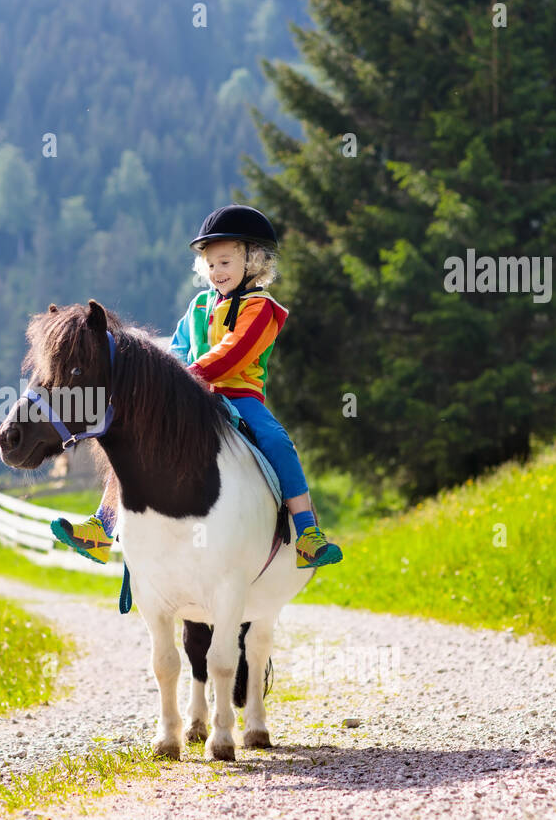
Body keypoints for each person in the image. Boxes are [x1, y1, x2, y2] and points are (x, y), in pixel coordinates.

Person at [50, 204, 343, 569]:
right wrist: (169, 381)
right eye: (210, 264)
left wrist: (184, 378)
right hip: (189, 393)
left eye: (225, 262)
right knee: (132, 438)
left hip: (239, 396)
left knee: (277, 441)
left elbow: (232, 354)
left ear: (253, 262)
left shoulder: (261, 308)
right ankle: (101, 528)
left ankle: (307, 532)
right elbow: (179, 348)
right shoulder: (199, 305)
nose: (216, 272)